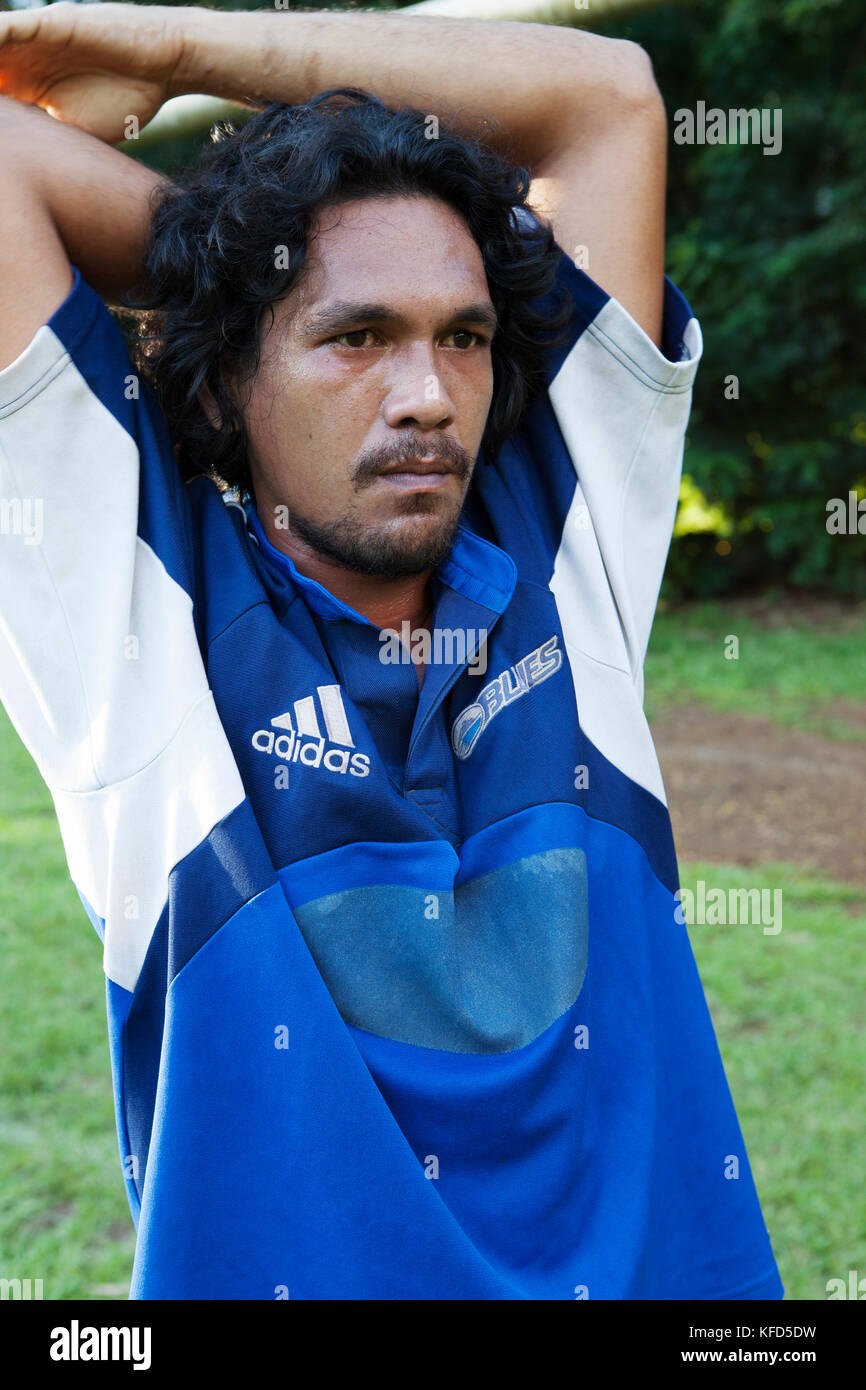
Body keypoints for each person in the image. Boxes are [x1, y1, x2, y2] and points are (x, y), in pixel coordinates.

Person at [0, 2, 782, 1300]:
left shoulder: (564, 540)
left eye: (463, 336)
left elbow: (606, 98)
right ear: (214, 387)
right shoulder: (133, 616)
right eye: (354, 336)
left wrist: (181, 56)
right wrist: (245, 256)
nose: (426, 391)